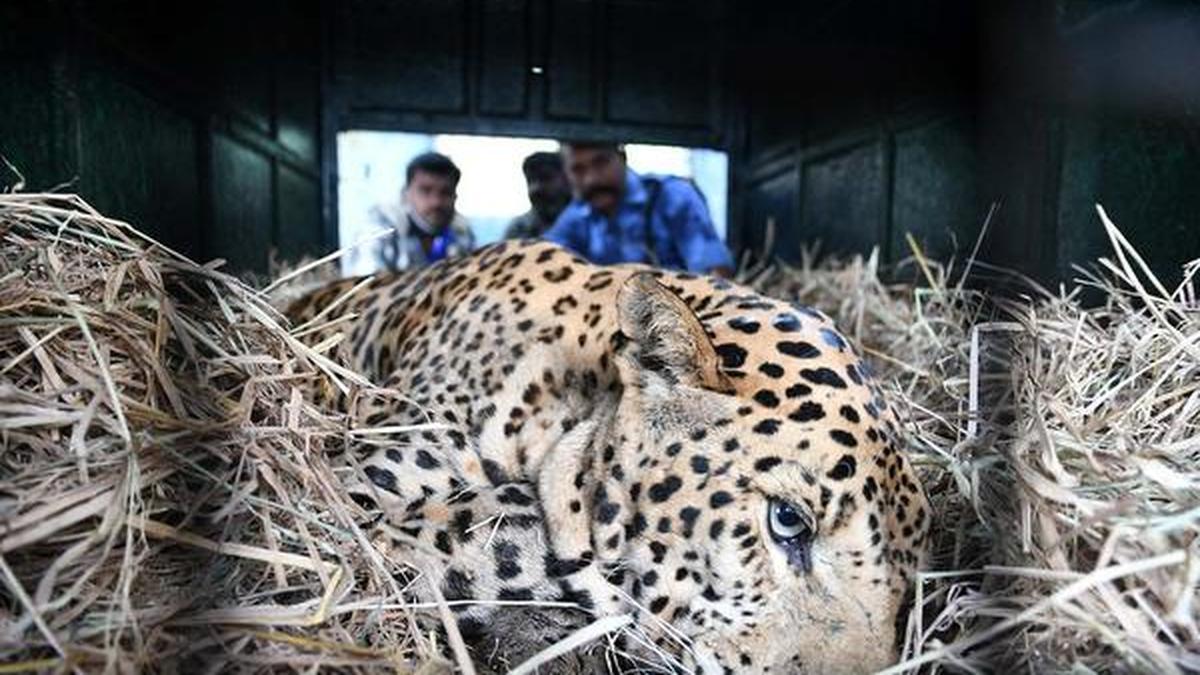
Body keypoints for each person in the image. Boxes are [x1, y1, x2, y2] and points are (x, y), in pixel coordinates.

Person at [544, 140, 733, 277]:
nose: (592, 179)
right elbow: (544, 264)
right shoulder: (576, 216)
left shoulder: (672, 196)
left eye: (601, 163)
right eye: (578, 170)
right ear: (567, 174)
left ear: (622, 158)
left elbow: (715, 272)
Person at [372, 152, 475, 271]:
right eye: (425, 190)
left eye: (445, 192)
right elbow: (366, 284)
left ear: (455, 196)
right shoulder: (382, 227)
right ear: (406, 193)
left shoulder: (462, 231)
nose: (436, 202)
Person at [503, 151, 571, 239]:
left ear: (567, 180)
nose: (536, 188)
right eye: (530, 181)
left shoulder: (584, 223)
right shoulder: (520, 228)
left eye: (545, 178)